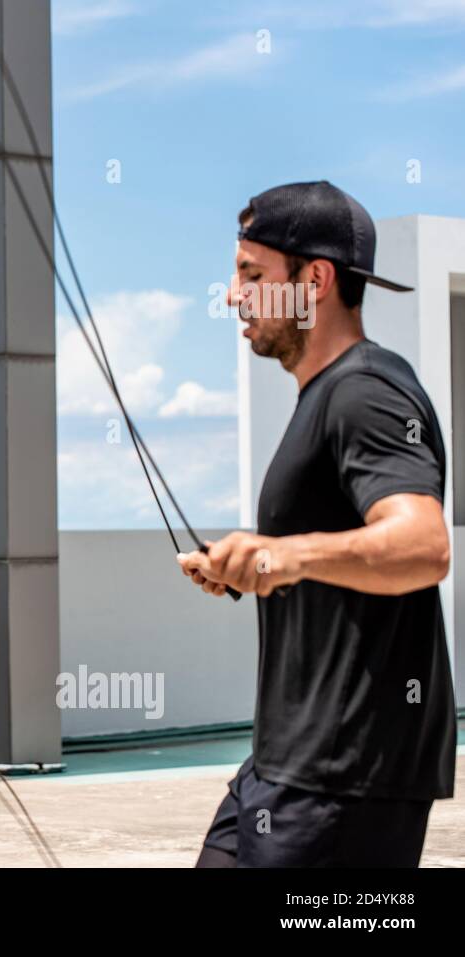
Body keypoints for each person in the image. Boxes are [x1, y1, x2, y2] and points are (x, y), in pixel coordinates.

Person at [179, 181, 457, 867]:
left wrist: (282, 557)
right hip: (281, 765)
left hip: (345, 777)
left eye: (251, 274)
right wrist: (247, 566)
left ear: (316, 279)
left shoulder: (366, 390)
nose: (231, 295)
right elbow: (339, 560)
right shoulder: (322, 397)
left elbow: (423, 543)